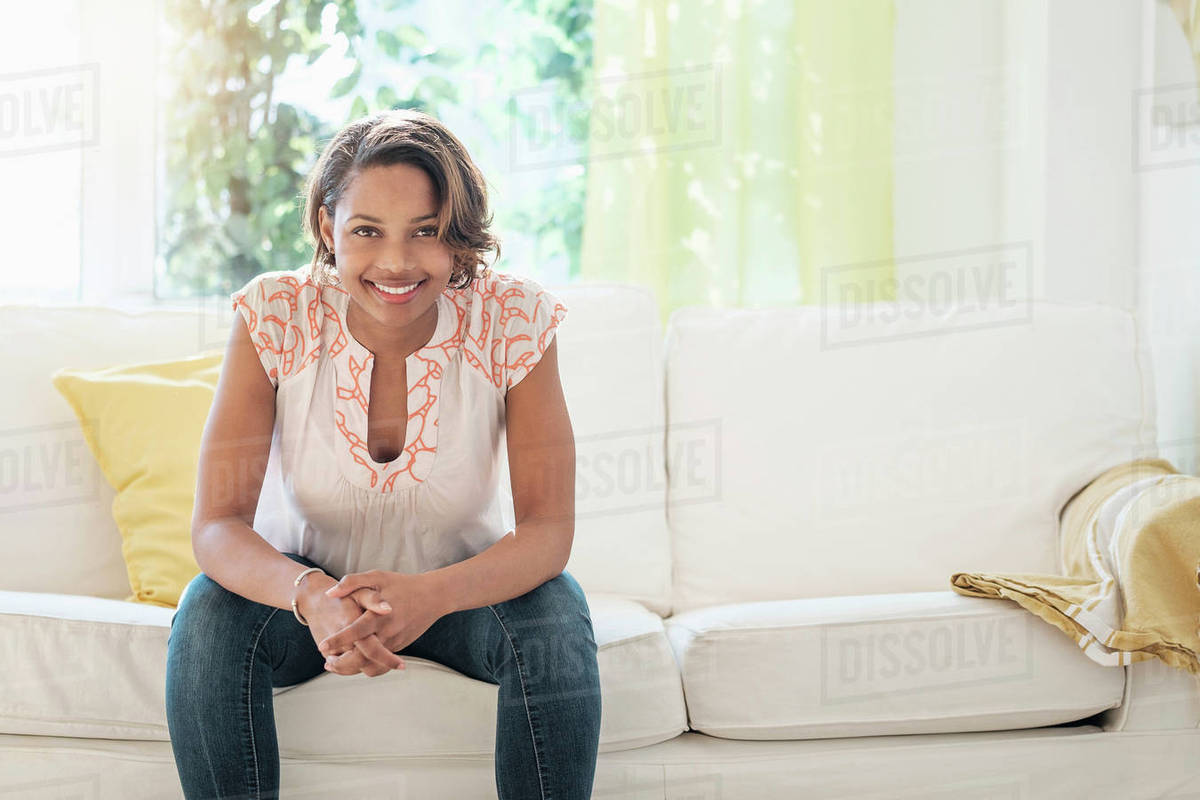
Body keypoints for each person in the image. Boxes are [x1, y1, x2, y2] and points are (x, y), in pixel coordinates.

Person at [165, 108, 601, 799]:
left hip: (460, 594)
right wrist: (310, 597)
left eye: (425, 233)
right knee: (208, 613)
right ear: (326, 230)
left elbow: (549, 531)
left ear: (457, 240)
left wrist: (429, 597)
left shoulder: (513, 319)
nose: (396, 262)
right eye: (367, 231)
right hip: (312, 599)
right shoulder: (275, 315)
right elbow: (217, 525)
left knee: (555, 610)